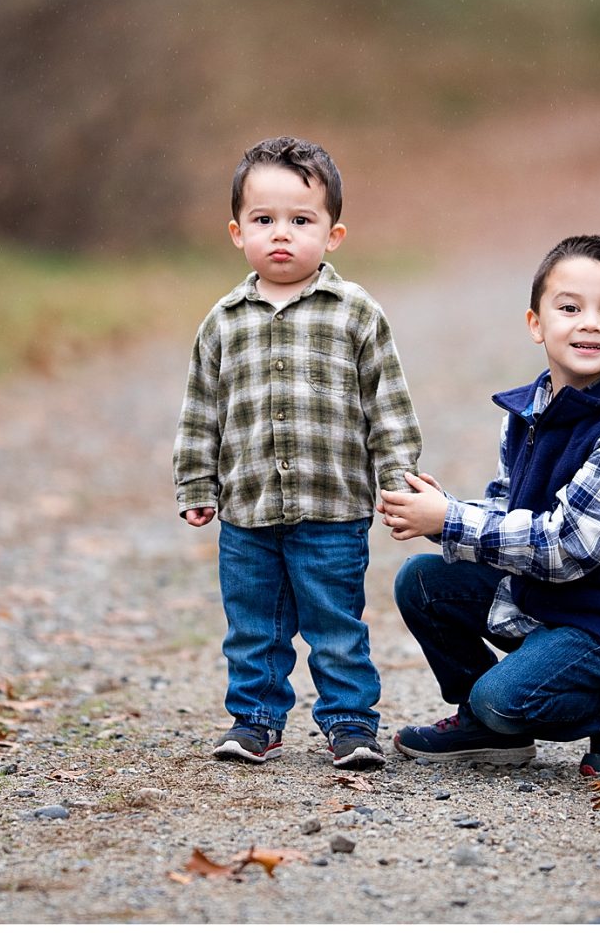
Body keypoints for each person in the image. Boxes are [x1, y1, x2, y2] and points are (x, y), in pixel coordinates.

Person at [378, 232, 600, 783]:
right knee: (423, 580)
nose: (590, 323)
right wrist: (440, 513)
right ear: (536, 323)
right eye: (569, 308)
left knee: (506, 699)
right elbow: (504, 511)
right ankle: (485, 729)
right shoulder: (527, 412)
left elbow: (565, 547)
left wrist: (450, 520)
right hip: (544, 602)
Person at [174, 135, 423, 774]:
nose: (281, 235)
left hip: (333, 506)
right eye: (264, 221)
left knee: (336, 623)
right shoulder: (223, 321)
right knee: (253, 626)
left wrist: (399, 480)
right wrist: (196, 484)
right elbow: (202, 409)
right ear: (237, 232)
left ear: (333, 234)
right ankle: (254, 721)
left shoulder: (356, 314)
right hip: (247, 511)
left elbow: (388, 406)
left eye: (301, 221)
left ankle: (350, 725)